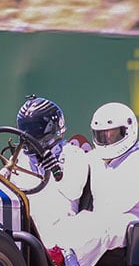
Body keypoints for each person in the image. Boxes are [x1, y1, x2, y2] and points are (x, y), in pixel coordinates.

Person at [47, 101, 139, 266]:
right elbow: (72, 177)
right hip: (100, 219)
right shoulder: (96, 158)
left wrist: (89, 220)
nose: (107, 140)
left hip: (133, 223)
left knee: (102, 225)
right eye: (102, 135)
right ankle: (46, 256)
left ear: (127, 131)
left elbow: (121, 205)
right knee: (65, 223)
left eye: (112, 135)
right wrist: (55, 162)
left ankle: (64, 260)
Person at [7, 96, 90, 237]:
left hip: (58, 231)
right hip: (22, 228)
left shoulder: (73, 154)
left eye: (34, 128)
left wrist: (55, 169)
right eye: (25, 128)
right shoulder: (20, 156)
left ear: (54, 128)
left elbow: (73, 192)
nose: (28, 134)